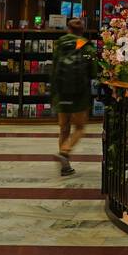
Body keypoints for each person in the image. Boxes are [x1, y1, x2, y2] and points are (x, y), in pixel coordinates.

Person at [51, 18, 97, 177]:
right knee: (79, 127)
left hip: (61, 91)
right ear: (82, 31)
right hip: (79, 94)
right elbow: (94, 71)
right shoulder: (86, 45)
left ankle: (65, 166)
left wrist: (54, 92)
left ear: (68, 29)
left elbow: (54, 67)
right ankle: (65, 151)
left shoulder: (59, 44)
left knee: (64, 128)